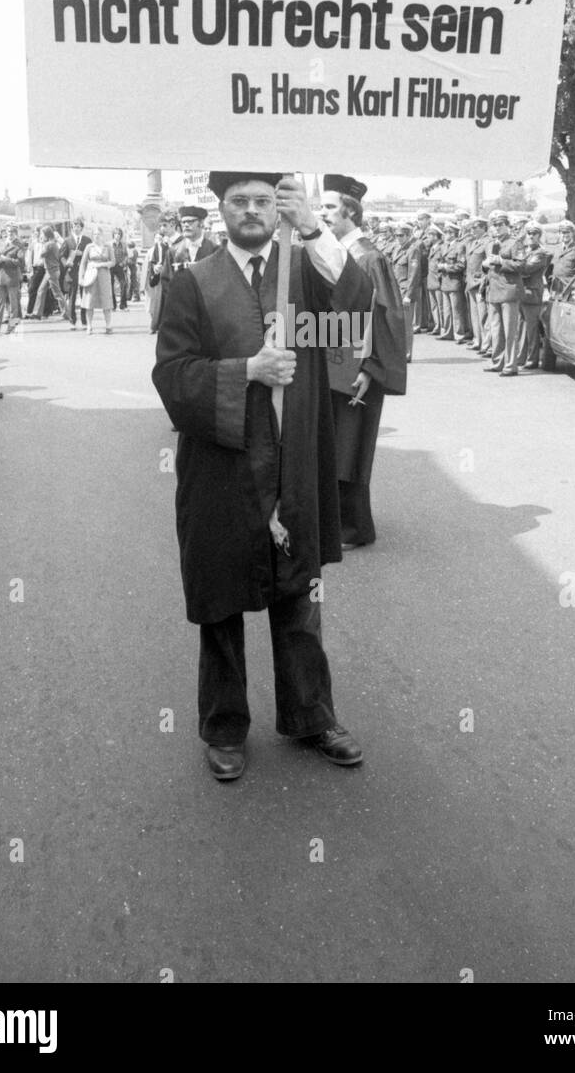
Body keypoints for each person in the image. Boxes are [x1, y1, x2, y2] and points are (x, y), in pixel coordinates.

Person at [152, 172, 372, 782]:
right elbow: (172, 375)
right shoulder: (193, 282)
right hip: (224, 464)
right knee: (221, 598)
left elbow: (353, 318)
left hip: (293, 457)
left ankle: (311, 713)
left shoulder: (303, 270)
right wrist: (246, 369)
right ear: (221, 209)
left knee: (300, 592)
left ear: (279, 207)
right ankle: (223, 726)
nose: (251, 211)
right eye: (238, 201)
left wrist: (312, 227)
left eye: (263, 201)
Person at [321, 174, 407, 548]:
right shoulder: (333, 252)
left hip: (359, 369)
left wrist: (370, 368)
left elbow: (386, 318)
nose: (321, 214)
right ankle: (337, 523)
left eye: (328, 207)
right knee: (334, 445)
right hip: (333, 363)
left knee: (351, 447)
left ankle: (355, 529)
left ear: (350, 211)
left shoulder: (369, 257)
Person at [482, 212, 525, 375]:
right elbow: (488, 266)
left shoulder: (515, 243)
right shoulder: (491, 244)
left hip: (509, 290)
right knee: (496, 330)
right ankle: (498, 361)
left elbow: (521, 265)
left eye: (500, 224)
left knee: (510, 330)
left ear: (507, 225)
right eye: (494, 224)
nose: (497, 227)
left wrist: (502, 261)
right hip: (494, 290)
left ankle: (510, 365)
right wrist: (484, 265)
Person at [516, 223, 549, 369]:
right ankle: (521, 357)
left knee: (531, 329)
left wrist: (515, 266)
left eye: (534, 233)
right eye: (528, 233)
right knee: (521, 327)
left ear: (539, 236)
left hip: (532, 292)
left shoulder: (540, 253)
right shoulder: (524, 250)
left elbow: (527, 268)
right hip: (523, 291)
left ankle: (532, 358)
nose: (530, 236)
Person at [391, 222, 421, 360]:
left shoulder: (413, 250)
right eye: (396, 235)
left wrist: (408, 295)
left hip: (405, 293)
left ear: (408, 236)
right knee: (397, 324)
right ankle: (399, 351)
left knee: (407, 325)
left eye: (401, 235)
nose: (398, 238)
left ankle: (407, 353)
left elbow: (413, 275)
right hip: (396, 291)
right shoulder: (397, 249)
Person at [78, 226, 114, 334]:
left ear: (102, 235)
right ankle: (89, 326)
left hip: (104, 276)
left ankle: (108, 325)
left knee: (106, 301)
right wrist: (81, 278)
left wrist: (101, 264)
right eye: (94, 234)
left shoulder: (108, 247)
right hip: (91, 277)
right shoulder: (89, 247)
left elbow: (113, 262)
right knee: (89, 301)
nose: (96, 236)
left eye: (98, 234)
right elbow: (83, 263)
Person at [32, 226, 71, 321]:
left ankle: (66, 313)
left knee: (57, 293)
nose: (41, 236)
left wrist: (41, 243)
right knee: (41, 290)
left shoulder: (48, 244)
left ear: (47, 235)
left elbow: (41, 254)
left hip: (51, 271)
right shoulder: (53, 243)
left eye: (42, 234)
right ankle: (37, 313)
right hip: (51, 271)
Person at [465, 217, 490, 351]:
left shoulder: (487, 242)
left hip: (480, 283)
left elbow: (489, 263)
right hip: (471, 282)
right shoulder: (474, 242)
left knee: (483, 315)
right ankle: (478, 340)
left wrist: (483, 281)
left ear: (483, 228)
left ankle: (487, 344)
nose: (472, 230)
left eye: (475, 228)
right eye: (471, 228)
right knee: (475, 315)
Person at [146, 212, 172, 333]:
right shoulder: (159, 245)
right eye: (161, 226)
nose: (163, 228)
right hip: (162, 275)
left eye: (165, 225)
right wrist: (155, 267)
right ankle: (156, 325)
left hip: (174, 275)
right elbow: (154, 260)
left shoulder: (174, 243)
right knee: (159, 301)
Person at [66, 217, 93, 328]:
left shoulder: (87, 241)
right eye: (74, 227)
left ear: (82, 228)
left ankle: (84, 321)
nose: (76, 229)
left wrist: (82, 254)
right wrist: (67, 263)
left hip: (84, 271)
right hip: (72, 271)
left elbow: (92, 255)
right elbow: (61, 256)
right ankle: (72, 321)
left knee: (84, 296)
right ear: (72, 228)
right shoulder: (67, 241)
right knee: (72, 297)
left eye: (78, 226)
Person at [547, 220, 575, 289]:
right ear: (559, 234)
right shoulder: (556, 248)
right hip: (556, 288)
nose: (565, 235)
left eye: (568, 232)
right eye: (563, 232)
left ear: (573, 233)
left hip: (571, 289)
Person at [110, 228, 129, 311]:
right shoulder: (109, 244)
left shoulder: (123, 244)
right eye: (115, 234)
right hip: (111, 266)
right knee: (110, 286)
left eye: (119, 234)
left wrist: (123, 262)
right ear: (113, 235)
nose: (117, 235)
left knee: (123, 284)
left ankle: (122, 305)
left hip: (120, 266)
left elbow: (126, 255)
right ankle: (113, 305)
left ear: (121, 235)